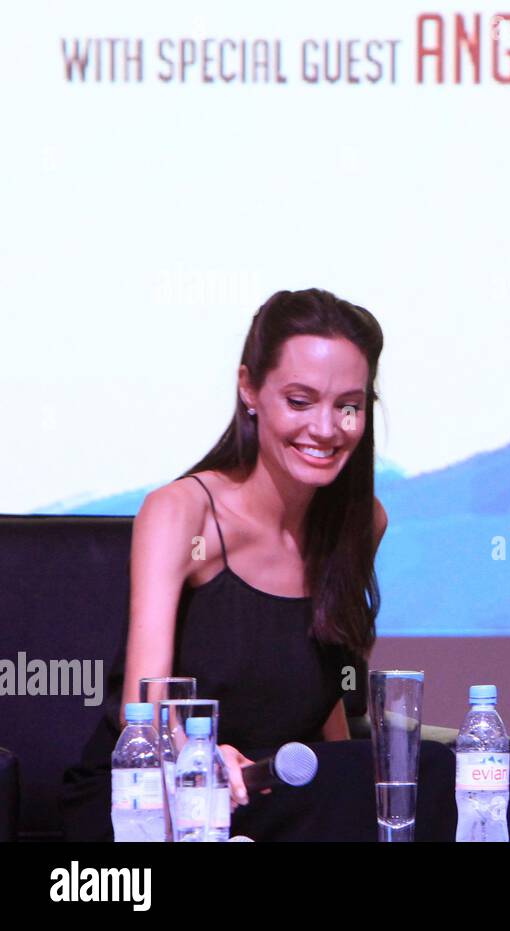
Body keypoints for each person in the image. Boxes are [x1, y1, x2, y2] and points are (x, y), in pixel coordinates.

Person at [61, 287, 388, 841]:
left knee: (423, 770)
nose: (327, 429)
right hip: (158, 793)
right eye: (301, 400)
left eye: (348, 405)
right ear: (249, 390)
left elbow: (324, 686)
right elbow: (145, 709)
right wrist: (199, 757)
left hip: (277, 790)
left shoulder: (361, 522)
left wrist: (351, 778)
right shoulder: (184, 513)